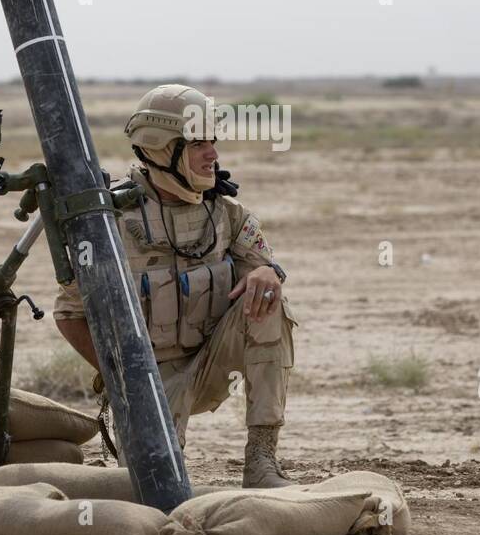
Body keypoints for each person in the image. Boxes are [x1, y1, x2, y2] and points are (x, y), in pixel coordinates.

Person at [53, 84, 297, 487]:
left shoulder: (227, 213)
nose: (213, 154)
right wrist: (122, 377)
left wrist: (269, 272)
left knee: (271, 302)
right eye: (198, 143)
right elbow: (69, 314)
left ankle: (261, 462)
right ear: (161, 148)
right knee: (155, 491)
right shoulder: (108, 223)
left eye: (212, 141)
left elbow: (266, 265)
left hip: (211, 365)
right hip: (148, 382)